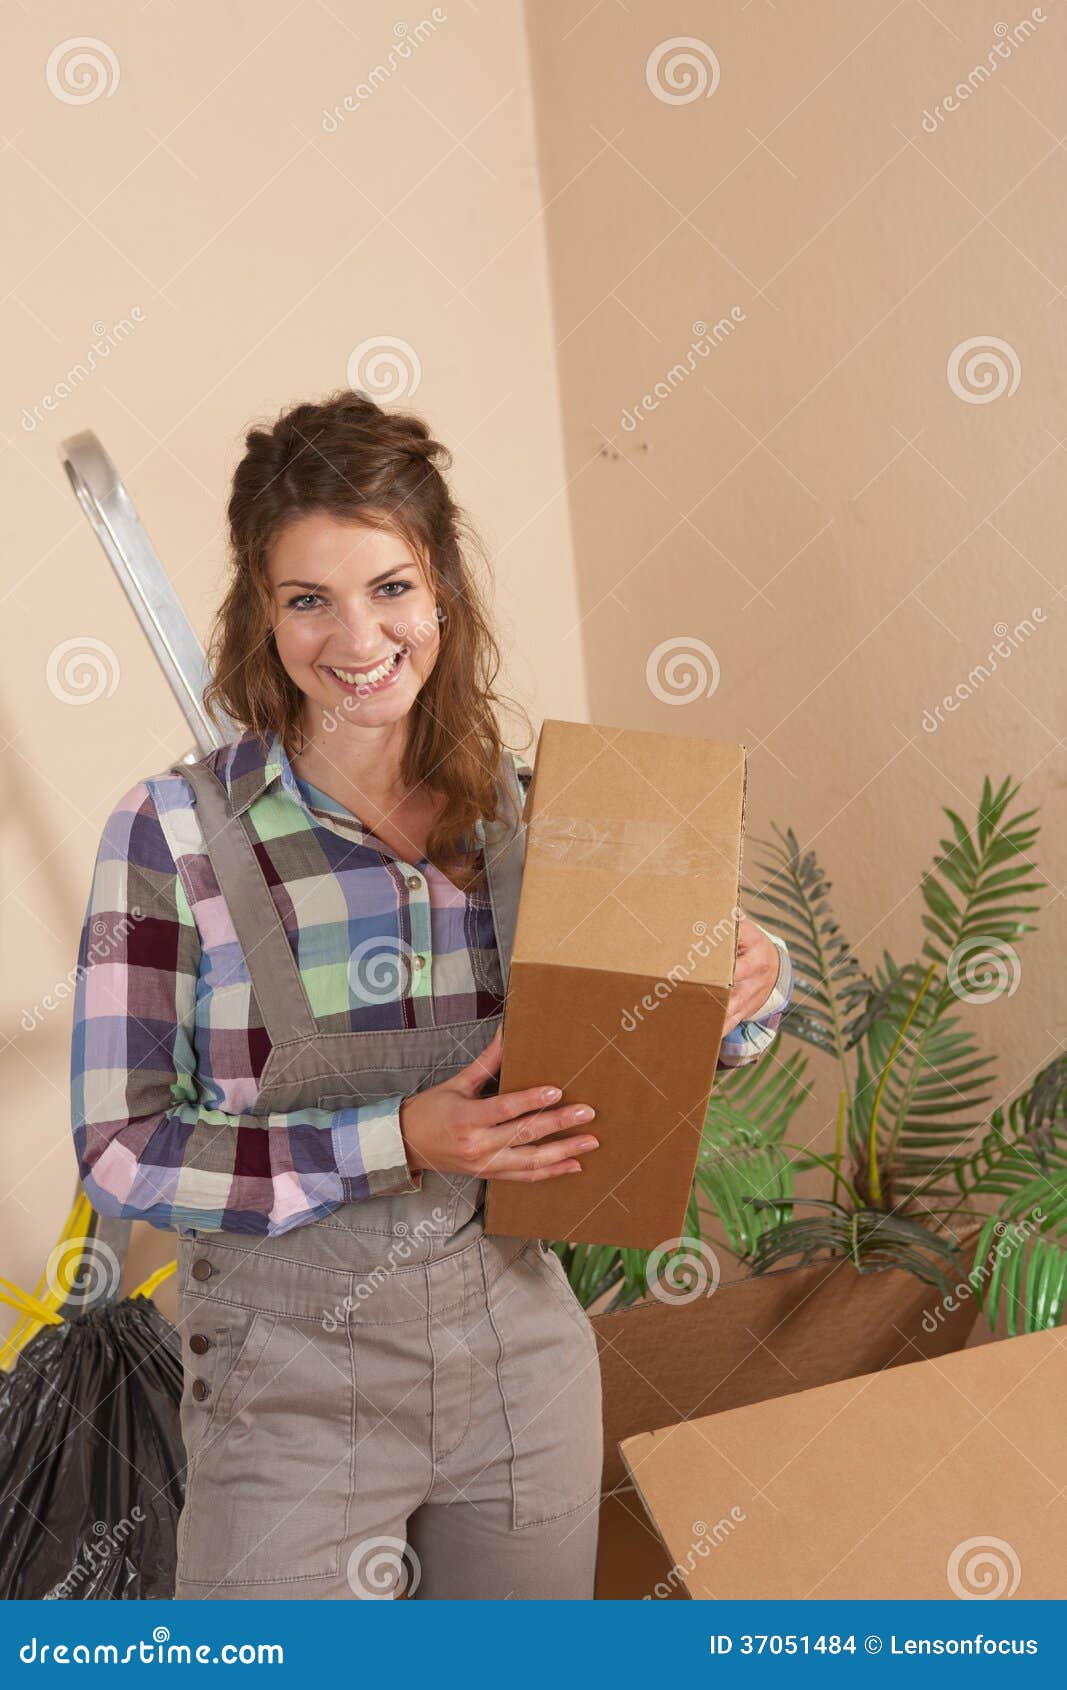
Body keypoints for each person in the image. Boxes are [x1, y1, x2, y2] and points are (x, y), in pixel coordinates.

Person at [69, 390, 794, 1601]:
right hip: (283, 1392)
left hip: (519, 1371)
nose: (356, 637)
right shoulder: (171, 833)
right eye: (309, 599)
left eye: (389, 588)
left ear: (442, 593)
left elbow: (654, 1043)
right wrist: (395, 1137)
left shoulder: (540, 814)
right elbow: (122, 1148)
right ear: (262, 612)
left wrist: (747, 987)